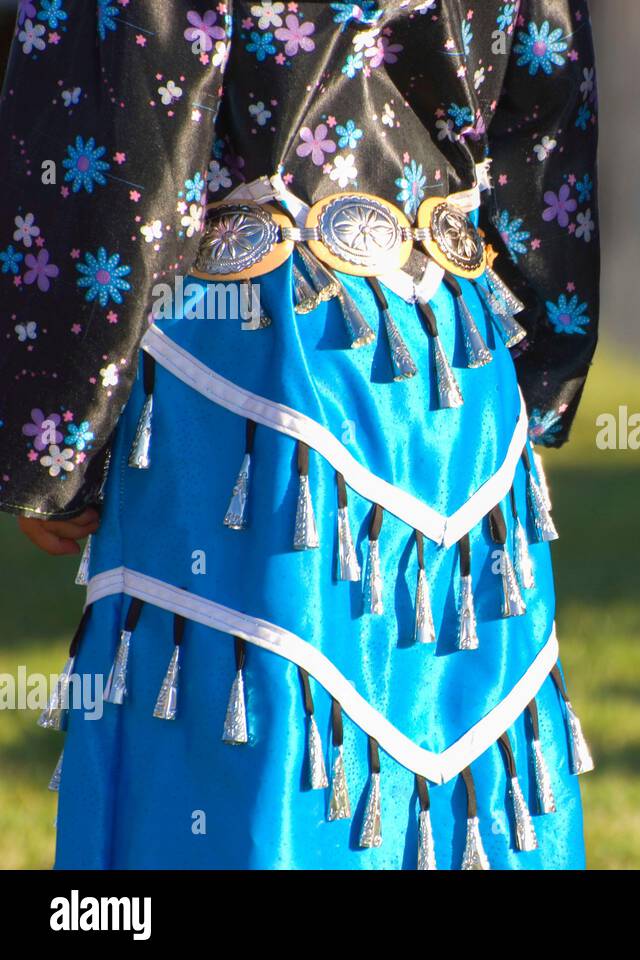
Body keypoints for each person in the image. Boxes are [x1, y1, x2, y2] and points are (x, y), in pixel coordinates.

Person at [1, 0, 598, 870]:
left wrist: (60, 435)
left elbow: (121, 118)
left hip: (251, 359)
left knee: (248, 774)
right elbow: (547, 89)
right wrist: (540, 351)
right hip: (453, 360)